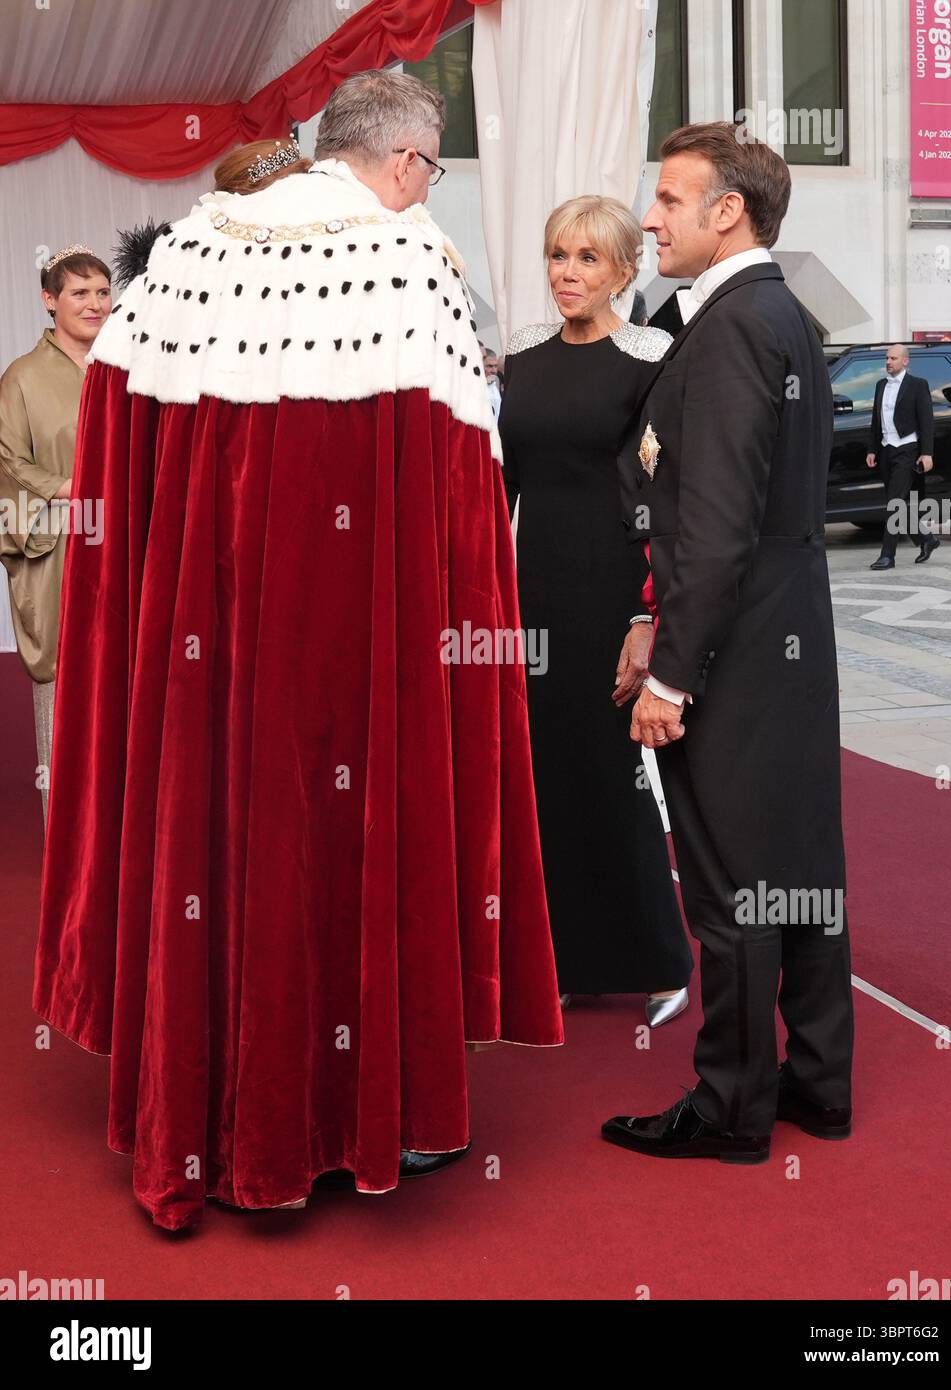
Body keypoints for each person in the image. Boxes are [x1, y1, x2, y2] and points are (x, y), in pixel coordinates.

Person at [34, 69, 562, 1232]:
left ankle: (202, 1106)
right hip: (356, 662)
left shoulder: (183, 254)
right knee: (348, 851)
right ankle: (346, 1117)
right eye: (431, 169)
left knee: (210, 849)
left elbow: (112, 466)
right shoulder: (408, 257)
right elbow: (464, 513)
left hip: (198, 656)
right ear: (408, 161)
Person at [603, 122, 853, 1163]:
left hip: (742, 645)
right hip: (780, 633)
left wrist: (669, 669)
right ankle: (815, 1083)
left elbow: (713, 523)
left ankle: (729, 1106)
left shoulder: (737, 322)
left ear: (725, 211)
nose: (646, 218)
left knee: (733, 879)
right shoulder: (770, 310)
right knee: (797, 865)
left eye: (666, 199)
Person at [498, 195, 692, 1026]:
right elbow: (498, 484)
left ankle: (660, 959)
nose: (566, 274)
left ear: (621, 268)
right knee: (544, 775)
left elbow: (660, 492)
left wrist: (645, 616)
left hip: (611, 593)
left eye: (585, 258)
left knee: (612, 774)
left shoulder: (649, 356)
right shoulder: (522, 355)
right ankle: (568, 957)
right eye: (556, 255)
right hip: (528, 591)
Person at [0, 246, 111, 823]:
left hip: (127, 548)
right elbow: (7, 462)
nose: (94, 304)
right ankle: (66, 846)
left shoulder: (129, 367)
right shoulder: (22, 377)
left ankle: (128, 854)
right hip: (61, 548)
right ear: (49, 301)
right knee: (64, 703)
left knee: (130, 695)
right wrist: (68, 487)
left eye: (101, 291)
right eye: (79, 293)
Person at [866, 344, 938, 569]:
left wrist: (927, 453)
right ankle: (926, 539)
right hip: (886, 449)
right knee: (898, 503)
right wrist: (872, 449)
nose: (888, 362)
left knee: (894, 504)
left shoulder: (918, 385)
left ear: (905, 361)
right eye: (887, 358)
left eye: (893, 358)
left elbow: (927, 422)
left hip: (907, 449)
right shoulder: (880, 385)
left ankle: (888, 555)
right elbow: (876, 421)